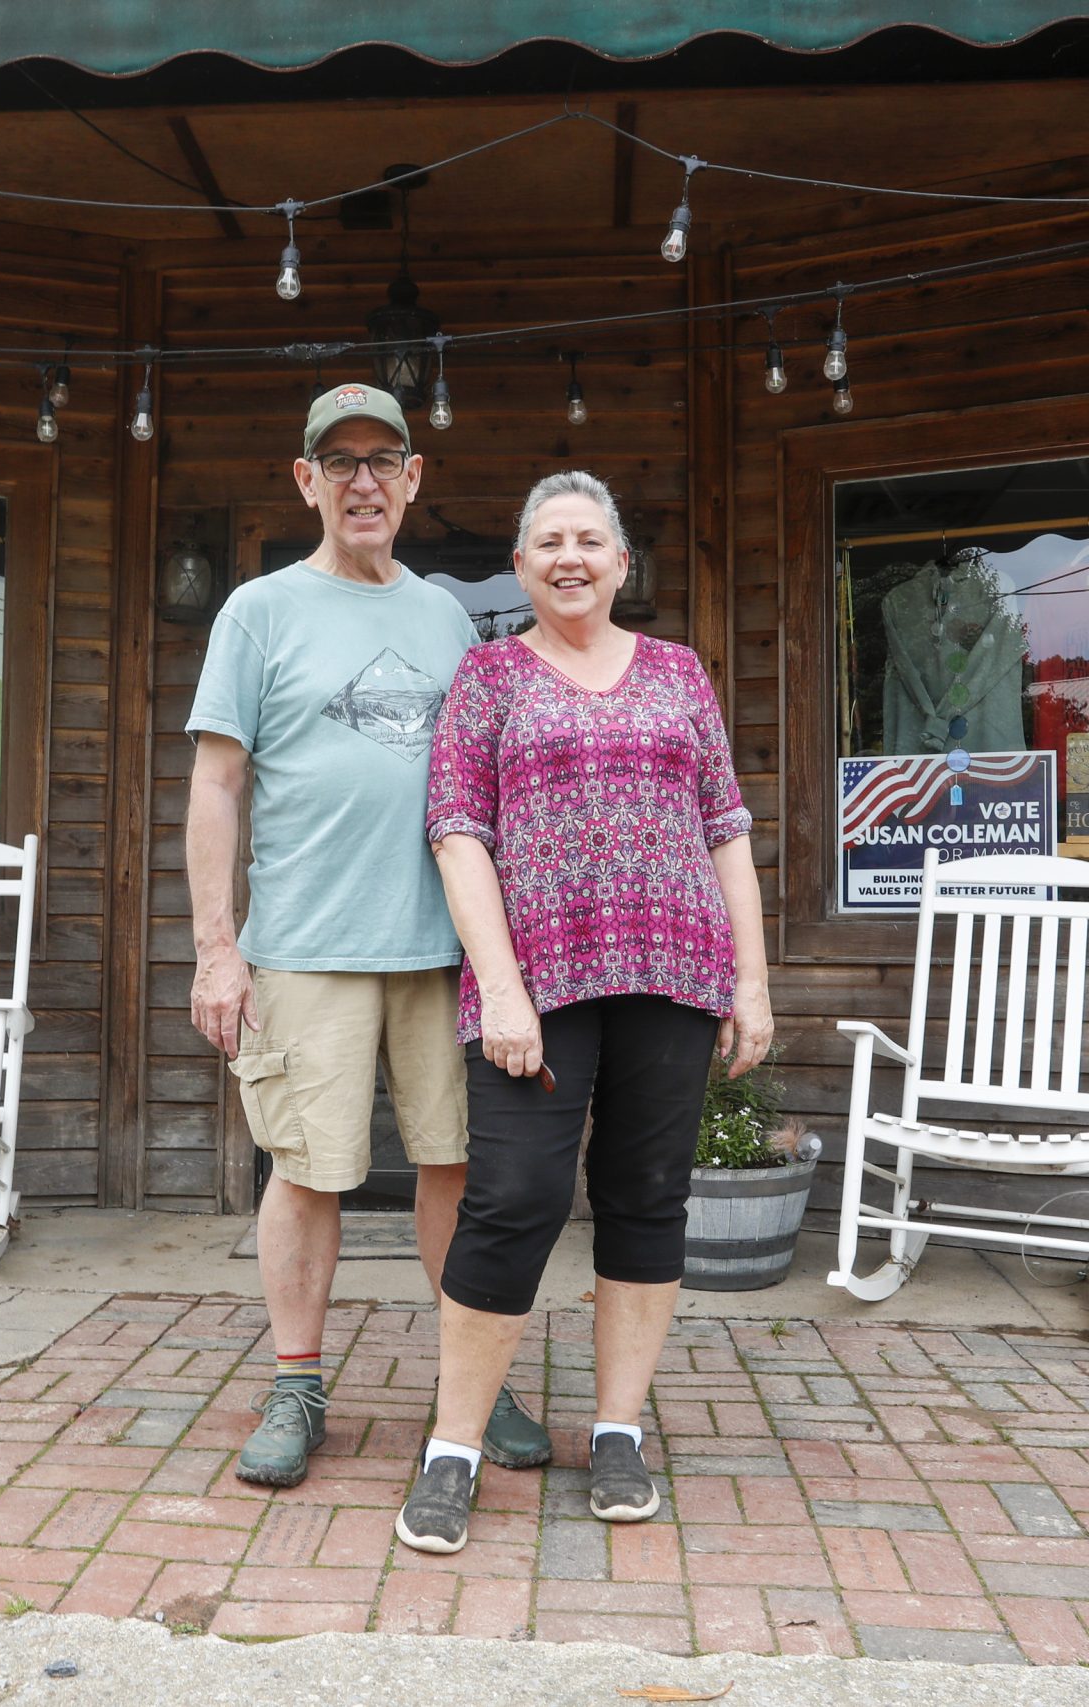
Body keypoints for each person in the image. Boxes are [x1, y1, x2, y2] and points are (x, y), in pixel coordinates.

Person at [185, 382, 556, 1490]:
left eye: (380, 459)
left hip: (442, 951)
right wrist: (217, 946)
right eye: (336, 461)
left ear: (412, 478)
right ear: (305, 481)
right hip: (304, 945)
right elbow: (214, 784)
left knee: (455, 1169)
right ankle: (297, 1383)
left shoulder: (445, 615)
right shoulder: (256, 611)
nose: (360, 481)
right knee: (305, 1172)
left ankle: (470, 1382)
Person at [396, 470, 770, 1554]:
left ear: (619, 563)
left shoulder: (679, 674)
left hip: (675, 972)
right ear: (519, 566)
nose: (570, 555)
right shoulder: (486, 678)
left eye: (589, 539)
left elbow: (725, 830)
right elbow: (458, 834)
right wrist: (500, 984)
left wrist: (749, 981)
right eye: (548, 540)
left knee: (647, 1198)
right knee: (511, 1199)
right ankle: (453, 1446)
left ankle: (617, 1431)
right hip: (539, 983)